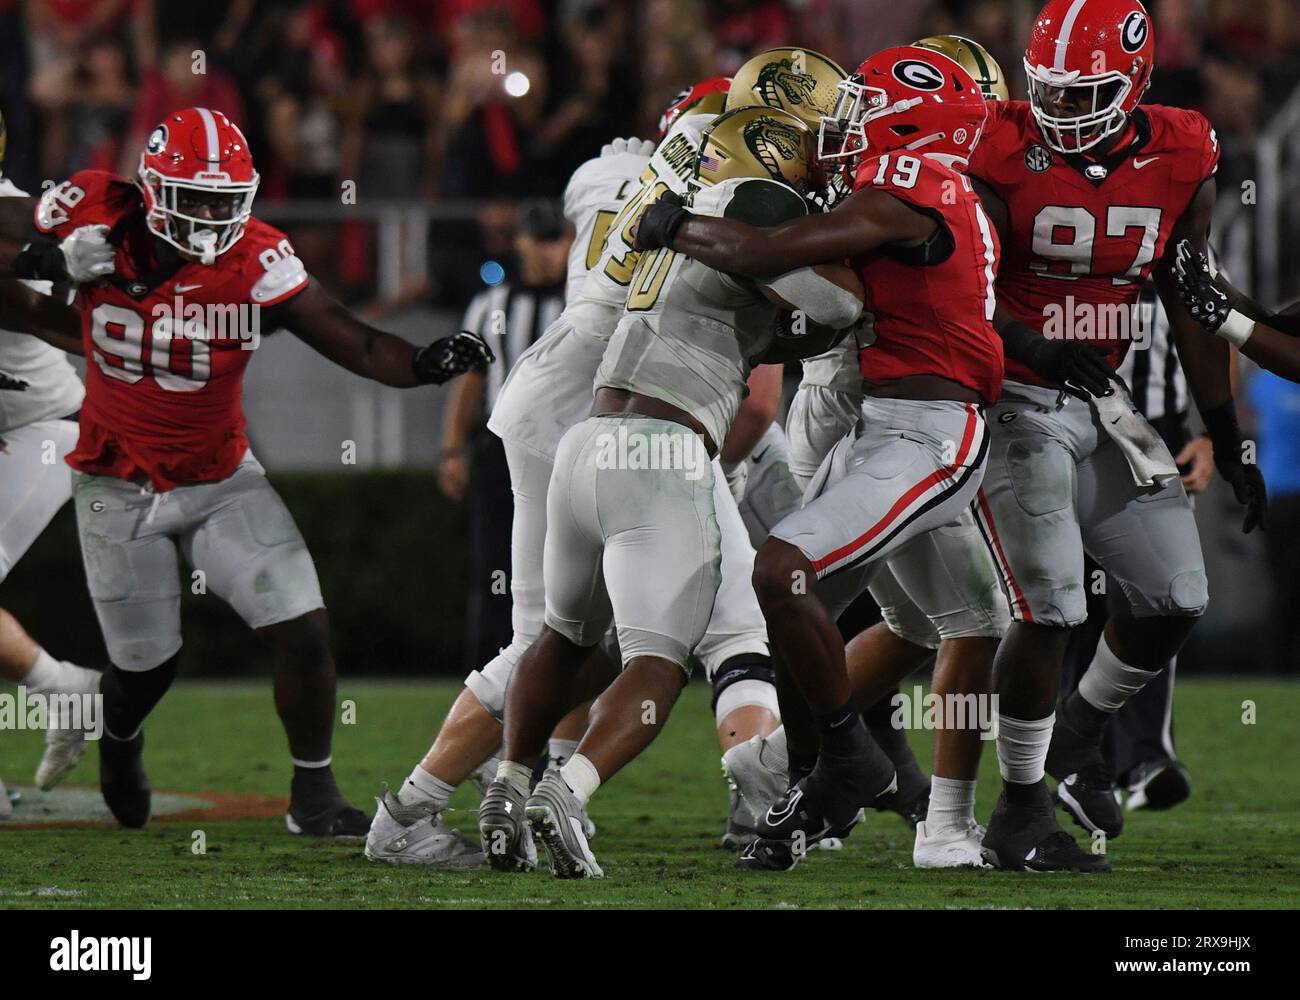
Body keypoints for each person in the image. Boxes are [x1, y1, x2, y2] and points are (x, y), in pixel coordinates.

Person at [0, 106, 492, 835]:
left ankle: (314, 794)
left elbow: (353, 341)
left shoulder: (256, 258)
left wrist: (421, 365)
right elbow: (12, 233)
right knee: (144, 667)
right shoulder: (97, 209)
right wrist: (41, 258)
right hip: (114, 479)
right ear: (153, 188)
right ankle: (121, 736)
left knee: (303, 629)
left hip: (221, 477)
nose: (207, 216)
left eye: (221, 200)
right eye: (193, 199)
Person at [635, 46, 1016, 871]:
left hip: (930, 434)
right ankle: (833, 779)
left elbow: (764, 254)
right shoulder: (938, 191)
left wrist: (674, 219)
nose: (840, 138)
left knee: (781, 572)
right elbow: (828, 306)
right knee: (800, 622)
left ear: (908, 128)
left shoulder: (910, 188)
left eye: (857, 120)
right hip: (885, 423)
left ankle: (841, 762)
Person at [480, 104, 864, 879]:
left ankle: (508, 784)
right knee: (658, 662)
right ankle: (570, 792)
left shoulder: (685, 204)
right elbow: (835, 307)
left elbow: (763, 312)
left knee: (562, 636)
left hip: (586, 443)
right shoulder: (755, 209)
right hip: (665, 448)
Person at [965, 0, 1263, 870]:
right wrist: (1027, 343)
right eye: (1048, 91)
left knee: (1176, 595)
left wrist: (1226, 433)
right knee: (1053, 601)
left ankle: (1079, 737)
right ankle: (1018, 813)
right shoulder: (994, 144)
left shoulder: (1184, 149)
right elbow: (957, 283)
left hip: (1103, 399)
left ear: (1132, 83)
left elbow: (1193, 296)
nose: (1059, 110)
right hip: (1010, 395)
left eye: (1083, 92)